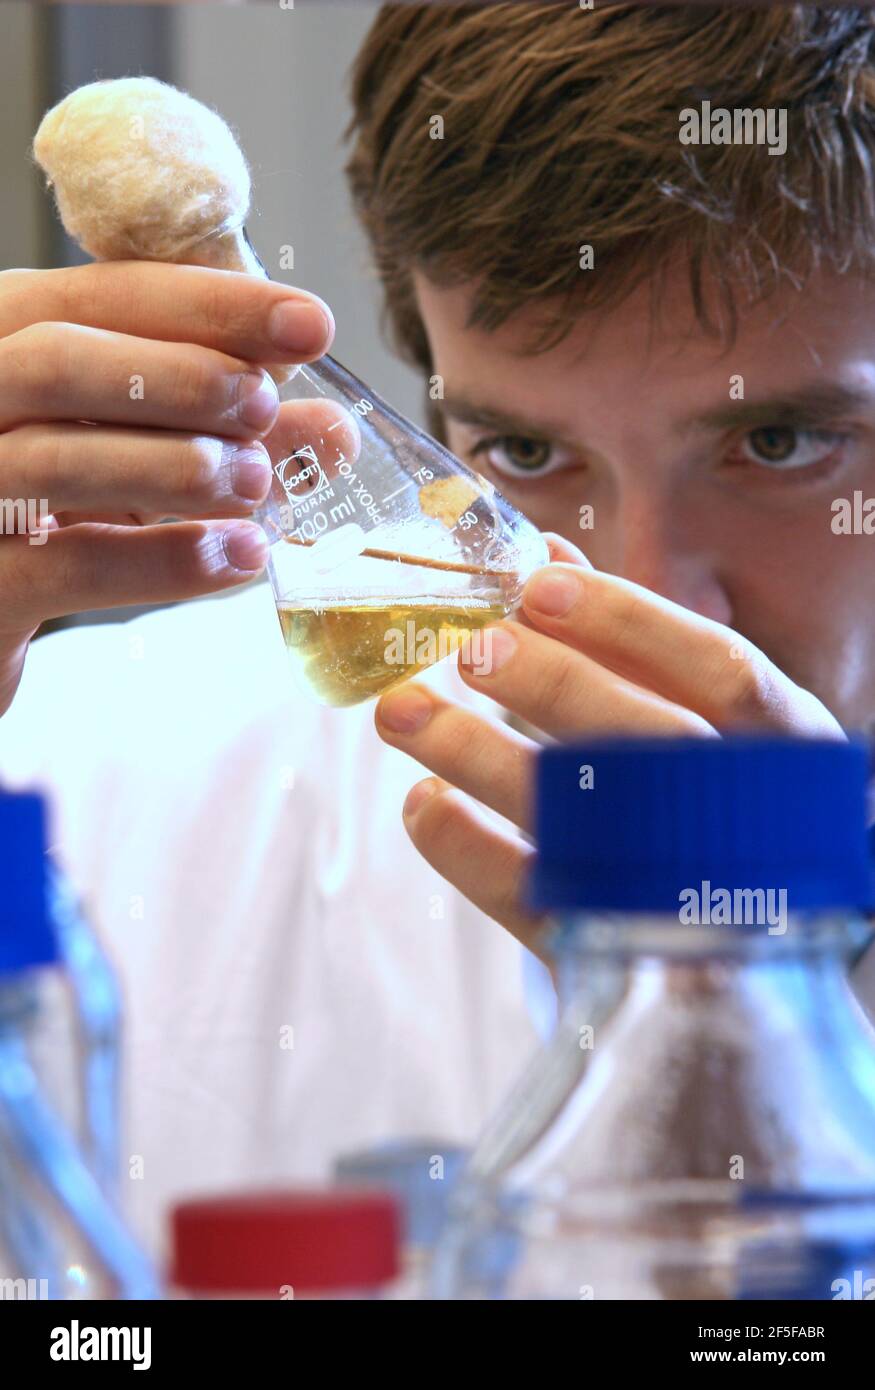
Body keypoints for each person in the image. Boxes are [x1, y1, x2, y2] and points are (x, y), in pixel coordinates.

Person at [2, 1, 875, 1253]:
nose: (643, 593)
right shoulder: (82, 773)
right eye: (522, 449)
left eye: (777, 444)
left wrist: (795, 1023)